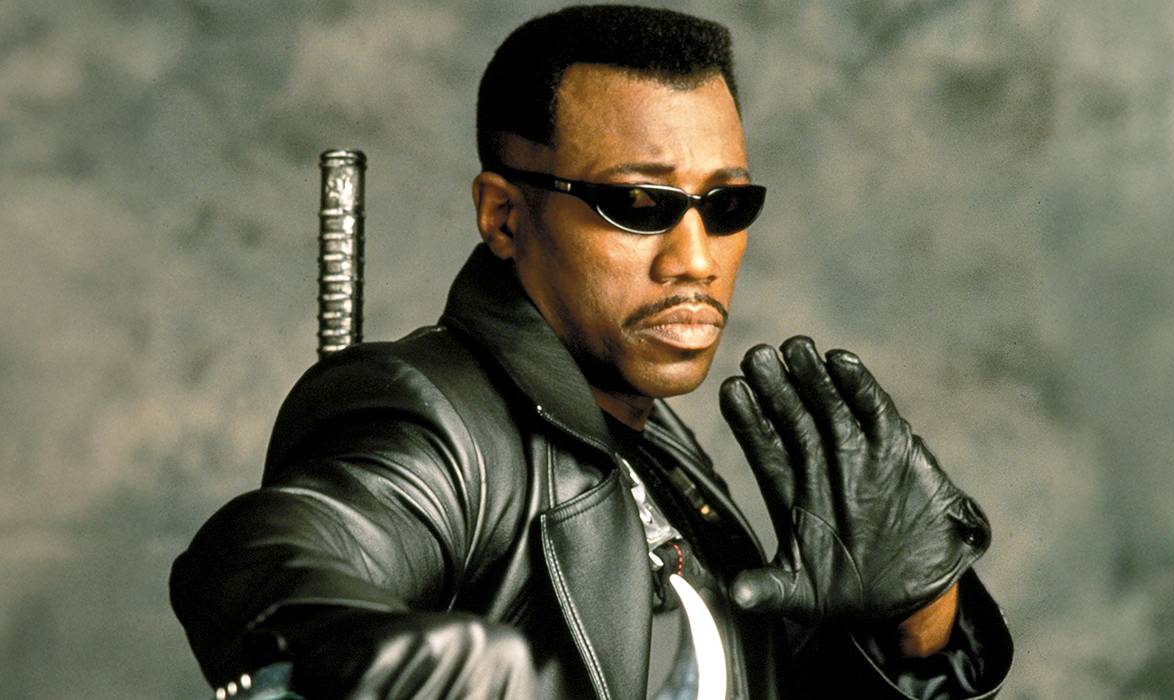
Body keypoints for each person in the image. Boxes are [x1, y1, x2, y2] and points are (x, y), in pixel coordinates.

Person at [171, 5, 1013, 698]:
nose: (695, 259)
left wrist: (919, 623)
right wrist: (373, 658)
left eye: (726, 205)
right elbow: (270, 556)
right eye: (639, 204)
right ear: (504, 216)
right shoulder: (435, 418)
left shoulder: (659, 448)